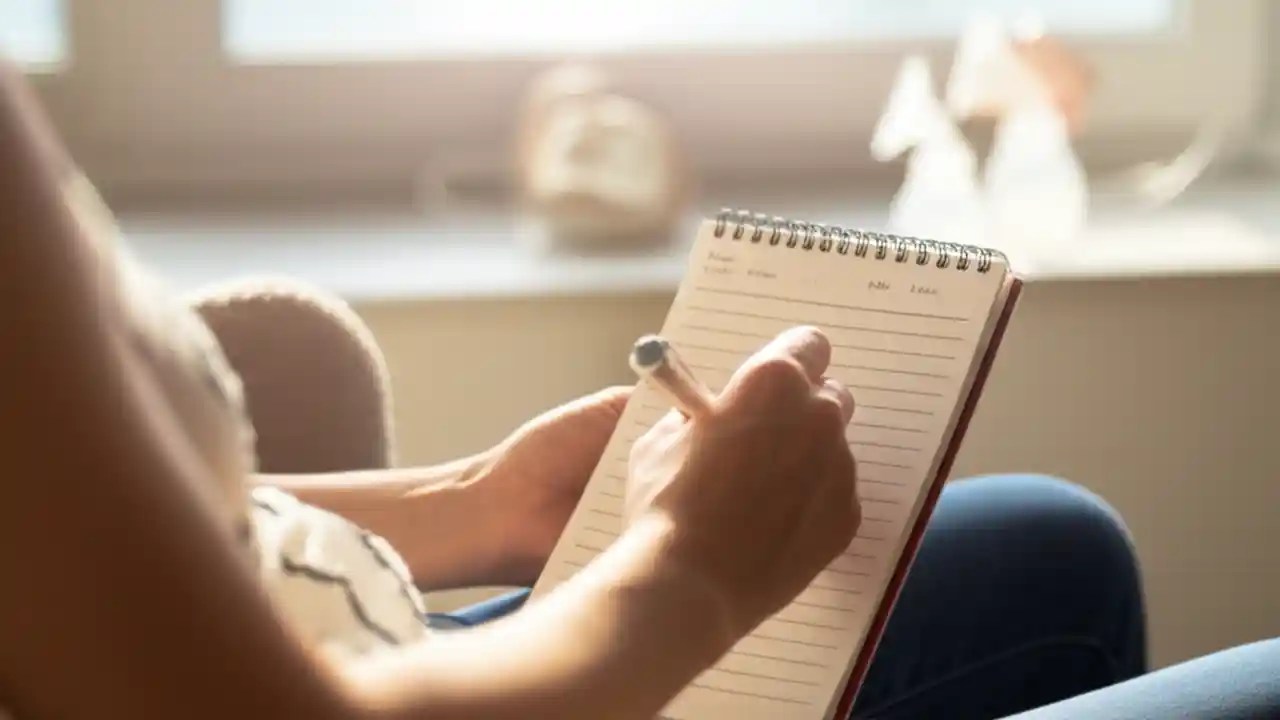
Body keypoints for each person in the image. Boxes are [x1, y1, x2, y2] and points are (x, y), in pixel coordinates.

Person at [0, 64, 1276, 720]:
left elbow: (57, 544)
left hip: (376, 648)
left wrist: (471, 502)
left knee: (1054, 549)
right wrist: (686, 576)